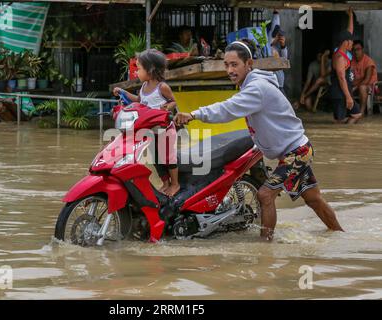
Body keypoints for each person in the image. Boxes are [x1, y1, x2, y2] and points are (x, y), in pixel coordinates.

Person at [174, 39, 344, 241]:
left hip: (296, 152)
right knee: (313, 199)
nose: (229, 70)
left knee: (265, 195)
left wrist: (194, 114)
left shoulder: (256, 88)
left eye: (234, 64)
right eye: (226, 65)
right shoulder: (251, 85)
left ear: (249, 64)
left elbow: (227, 109)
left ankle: (265, 248)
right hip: (294, 150)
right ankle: (339, 236)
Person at [113, 49, 180, 197]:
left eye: (139, 69)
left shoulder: (162, 87)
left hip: (164, 129)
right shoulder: (143, 87)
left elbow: (173, 102)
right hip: (149, 130)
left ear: (150, 70)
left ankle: (175, 184)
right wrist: (123, 92)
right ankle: (165, 183)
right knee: (155, 157)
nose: (136, 72)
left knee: (168, 157)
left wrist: (167, 107)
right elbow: (138, 101)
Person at [330, 8, 362, 124]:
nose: (353, 44)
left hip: (345, 93)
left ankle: (346, 133)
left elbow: (349, 31)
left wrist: (351, 16)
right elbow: (342, 78)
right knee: (339, 122)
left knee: (357, 114)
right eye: (351, 42)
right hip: (340, 95)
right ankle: (339, 140)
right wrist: (348, 97)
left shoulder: (344, 51)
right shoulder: (339, 58)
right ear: (345, 42)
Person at [351, 40, 378, 115]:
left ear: (362, 49)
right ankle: (351, 110)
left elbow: (366, 80)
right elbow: (350, 77)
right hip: (357, 84)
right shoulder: (351, 61)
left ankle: (361, 112)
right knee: (345, 86)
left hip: (371, 86)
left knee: (362, 87)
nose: (356, 52)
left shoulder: (368, 61)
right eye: (354, 50)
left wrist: (355, 87)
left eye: (358, 49)